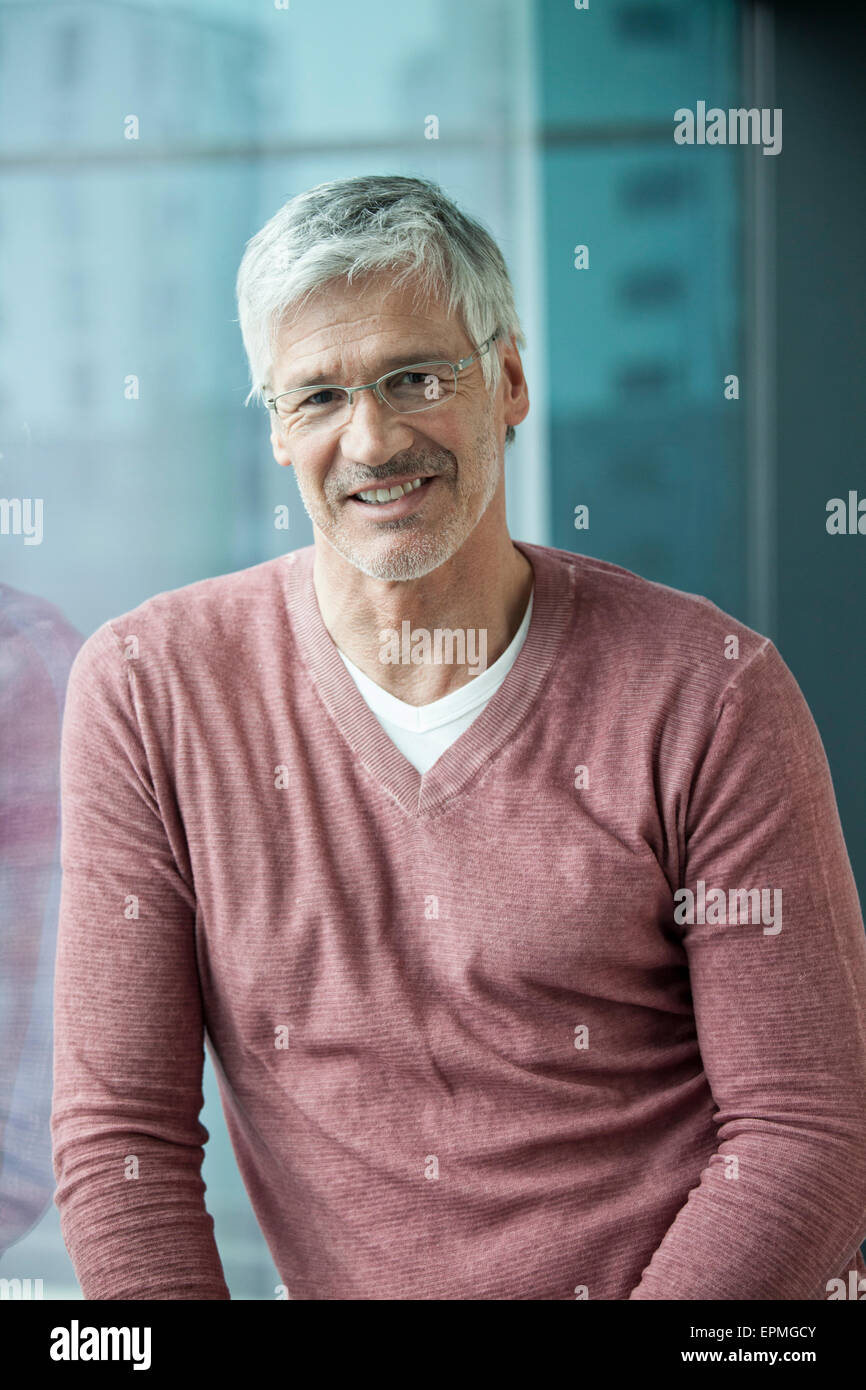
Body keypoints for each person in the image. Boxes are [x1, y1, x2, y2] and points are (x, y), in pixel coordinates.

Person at [51, 174, 866, 1300]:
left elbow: (807, 1134)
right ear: (278, 429)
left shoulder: (710, 692)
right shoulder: (151, 691)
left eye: (415, 377)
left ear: (511, 381)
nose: (372, 438)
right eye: (319, 396)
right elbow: (121, 1141)